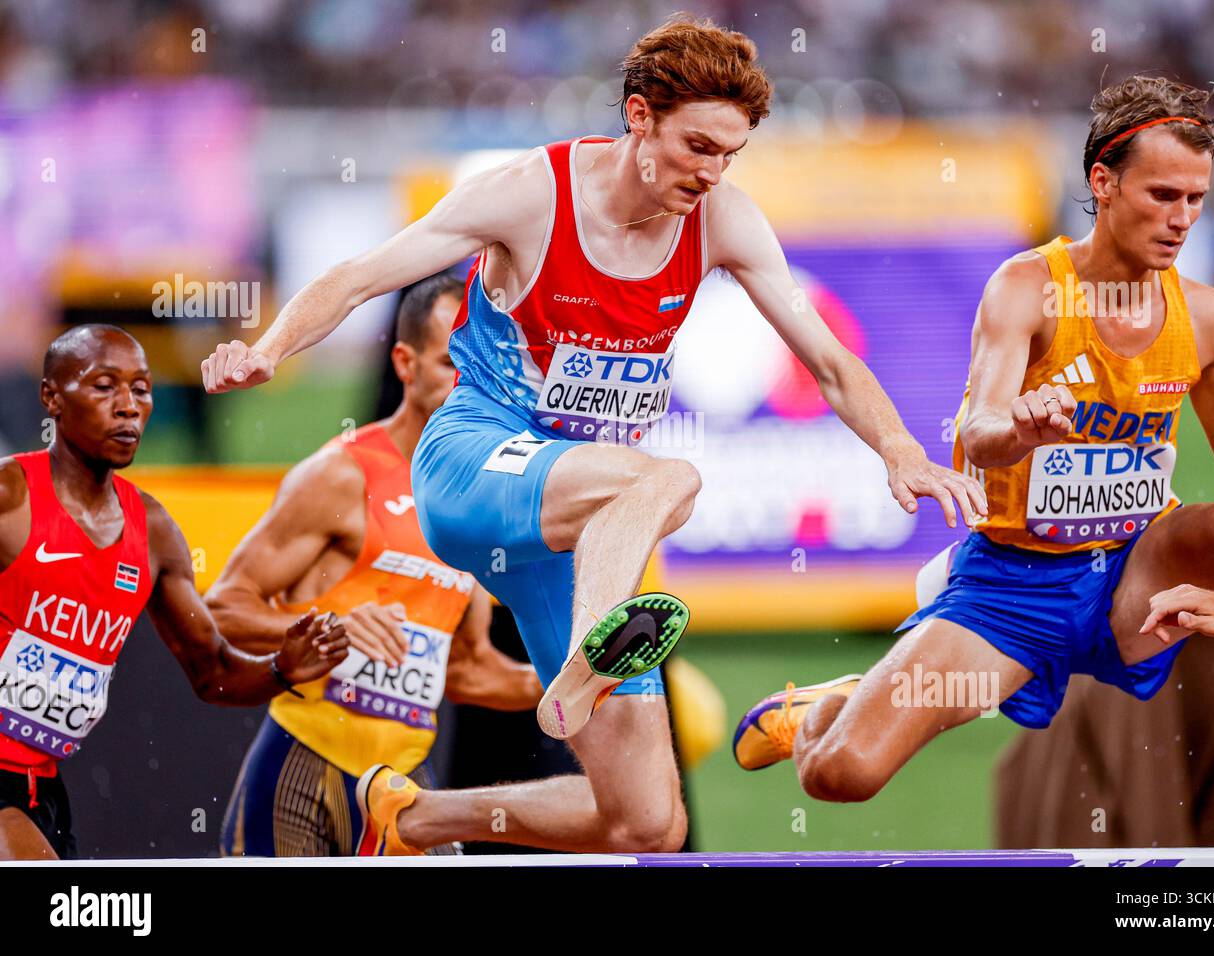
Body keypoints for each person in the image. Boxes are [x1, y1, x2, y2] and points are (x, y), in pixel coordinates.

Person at [201, 15, 983, 853]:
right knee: (669, 479)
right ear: (639, 116)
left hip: (575, 532)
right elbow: (361, 275)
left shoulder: (723, 219)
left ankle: (406, 814)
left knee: (645, 821)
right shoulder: (531, 194)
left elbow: (827, 360)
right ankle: (589, 656)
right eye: (697, 147)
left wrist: (901, 448)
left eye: (731, 154)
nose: (712, 173)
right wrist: (266, 348)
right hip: (473, 464)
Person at [734, 75, 1214, 803]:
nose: (1181, 219)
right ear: (1103, 182)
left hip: (1134, 570)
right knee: (841, 775)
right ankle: (830, 704)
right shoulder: (1027, 288)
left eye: (1196, 199)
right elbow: (978, 431)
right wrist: (1021, 429)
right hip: (1013, 586)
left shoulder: (1206, 316)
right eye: (1163, 195)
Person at [207, 274, 544, 856]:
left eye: (484, 367)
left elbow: (463, 671)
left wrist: (582, 686)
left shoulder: (484, 502)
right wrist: (326, 626)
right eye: (451, 364)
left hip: (407, 787)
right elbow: (223, 606)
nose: (472, 385)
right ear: (405, 363)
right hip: (304, 764)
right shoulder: (341, 476)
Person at [0, 325, 345, 860]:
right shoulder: (11, 497)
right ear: (51, 397)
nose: (127, 407)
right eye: (103, 386)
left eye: (141, 389)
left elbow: (213, 673)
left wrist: (281, 668)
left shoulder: (154, 532)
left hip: (40, 784)